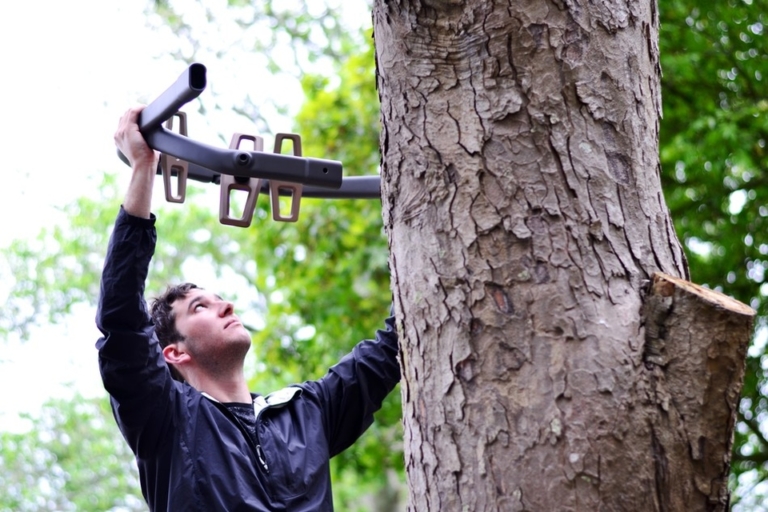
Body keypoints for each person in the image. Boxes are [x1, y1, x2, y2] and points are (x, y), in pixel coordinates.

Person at [96, 106, 401, 511]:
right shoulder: (165, 419)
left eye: (218, 298)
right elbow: (121, 322)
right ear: (175, 352)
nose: (226, 306)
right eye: (201, 306)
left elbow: (396, 344)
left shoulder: (307, 413)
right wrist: (143, 168)